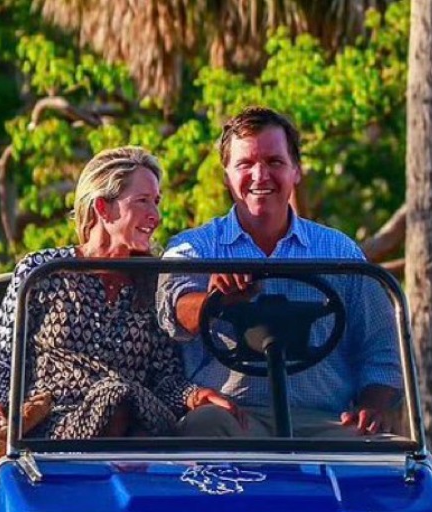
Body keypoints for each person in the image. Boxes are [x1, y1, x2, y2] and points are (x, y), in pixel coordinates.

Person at [0, 146, 242, 457]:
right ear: (102, 207)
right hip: (51, 429)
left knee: (120, 396)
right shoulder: (43, 272)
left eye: (156, 202)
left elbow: (165, 378)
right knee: (116, 398)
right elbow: (2, 361)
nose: (156, 216)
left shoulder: (154, 282)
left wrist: (195, 396)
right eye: (142, 201)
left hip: (137, 421)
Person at [156, 106, 403, 438]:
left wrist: (373, 405)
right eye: (245, 164)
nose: (260, 176)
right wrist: (213, 301)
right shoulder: (194, 250)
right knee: (203, 428)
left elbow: (381, 347)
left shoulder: (339, 253)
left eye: (274, 162)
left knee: (381, 453)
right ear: (226, 175)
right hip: (233, 418)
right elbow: (173, 312)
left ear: (296, 171)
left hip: (325, 422)